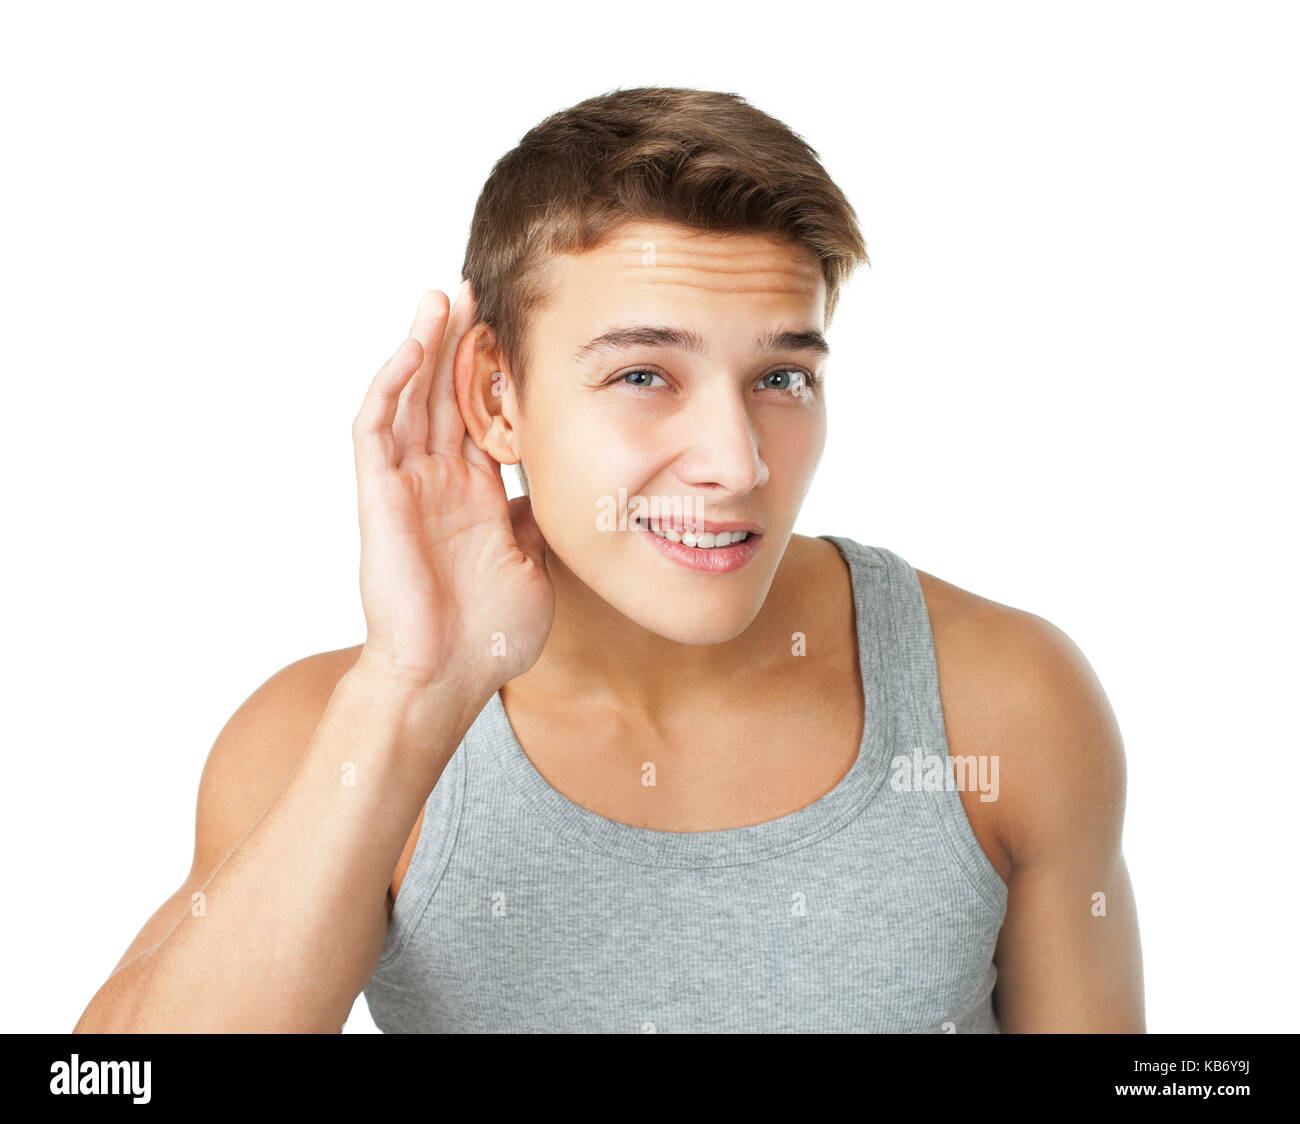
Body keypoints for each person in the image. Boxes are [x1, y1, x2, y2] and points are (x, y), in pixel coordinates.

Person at [74, 86, 1144, 1034]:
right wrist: (413, 693)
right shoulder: (321, 741)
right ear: (496, 395)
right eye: (643, 375)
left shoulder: (1004, 704)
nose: (734, 463)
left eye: (780, 378)